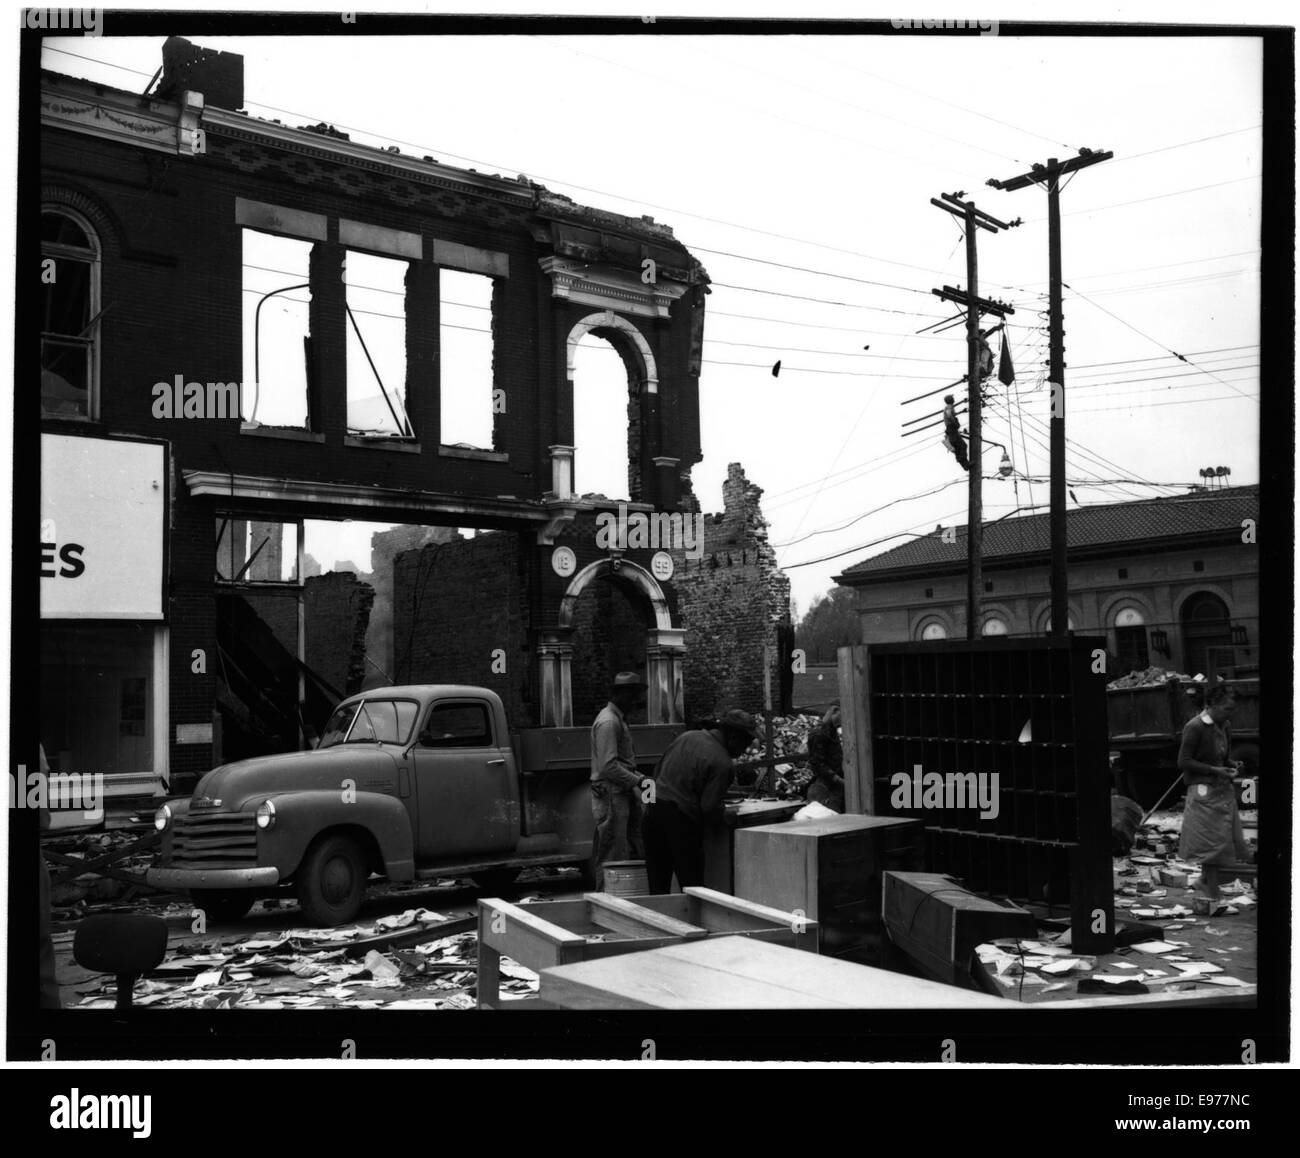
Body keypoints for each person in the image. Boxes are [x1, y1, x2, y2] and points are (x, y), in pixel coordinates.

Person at [643, 708, 758, 894]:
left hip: (652, 814)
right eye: (746, 744)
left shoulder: (686, 737)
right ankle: (694, 922)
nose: (745, 750)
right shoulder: (723, 763)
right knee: (692, 889)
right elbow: (709, 808)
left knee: (658, 887)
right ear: (734, 737)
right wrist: (726, 816)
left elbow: (657, 773)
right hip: (680, 822)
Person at [1177, 683, 1249, 908]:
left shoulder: (1224, 725)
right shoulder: (1195, 727)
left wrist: (1232, 764)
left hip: (1221, 789)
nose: (1230, 713)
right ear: (1211, 705)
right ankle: (1210, 886)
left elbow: (1222, 757)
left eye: (1231, 709)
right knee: (1209, 842)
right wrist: (1214, 770)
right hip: (1203, 790)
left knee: (1223, 840)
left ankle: (1205, 881)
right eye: (1226, 708)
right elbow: (1184, 762)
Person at [589, 671, 647, 889]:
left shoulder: (617, 720)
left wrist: (638, 778)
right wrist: (638, 781)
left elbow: (620, 762)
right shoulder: (608, 722)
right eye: (633, 695)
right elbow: (608, 766)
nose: (636, 701)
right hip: (612, 793)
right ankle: (606, 901)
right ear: (621, 696)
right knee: (612, 853)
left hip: (619, 792)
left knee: (624, 849)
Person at [805, 703, 845, 812]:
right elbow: (817, 763)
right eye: (842, 714)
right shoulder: (819, 733)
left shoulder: (832, 732)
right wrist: (837, 778)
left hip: (836, 782)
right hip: (825, 784)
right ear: (834, 712)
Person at [942, 394, 970, 471]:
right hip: (951, 429)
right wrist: (955, 422)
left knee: (958, 449)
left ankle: (965, 465)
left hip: (950, 430)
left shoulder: (948, 407)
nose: (954, 399)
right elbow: (949, 414)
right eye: (952, 398)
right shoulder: (949, 407)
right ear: (950, 399)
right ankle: (966, 464)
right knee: (962, 446)